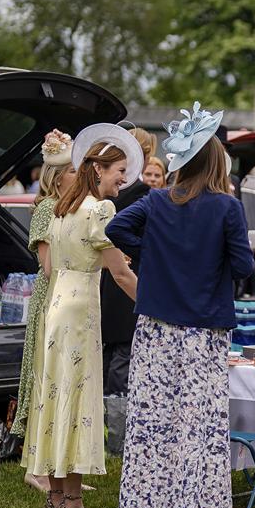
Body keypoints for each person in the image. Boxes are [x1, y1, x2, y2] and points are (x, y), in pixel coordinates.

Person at [109, 104, 255, 508]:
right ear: (216, 164)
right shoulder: (228, 208)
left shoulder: (155, 201)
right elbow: (244, 266)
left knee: (152, 423)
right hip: (205, 331)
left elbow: (116, 228)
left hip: (156, 327)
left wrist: (155, 255)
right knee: (200, 426)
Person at [21, 125, 139, 508]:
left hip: (57, 305)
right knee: (76, 400)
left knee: (57, 400)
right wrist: (156, 306)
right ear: (99, 169)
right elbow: (121, 275)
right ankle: (71, 501)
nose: (124, 179)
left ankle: (57, 498)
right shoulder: (98, 211)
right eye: (120, 170)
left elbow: (52, 265)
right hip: (80, 312)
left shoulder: (61, 208)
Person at [14, 129, 74, 495]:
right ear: (55, 175)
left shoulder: (71, 208)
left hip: (67, 297)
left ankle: (56, 466)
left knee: (62, 381)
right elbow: (48, 265)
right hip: (50, 298)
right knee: (43, 377)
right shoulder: (46, 209)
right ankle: (34, 466)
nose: (76, 176)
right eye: (70, 171)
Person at [100, 127, 157, 397]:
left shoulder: (102, 193)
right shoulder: (142, 195)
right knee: (123, 354)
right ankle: (116, 425)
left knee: (108, 352)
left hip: (103, 281)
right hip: (128, 278)